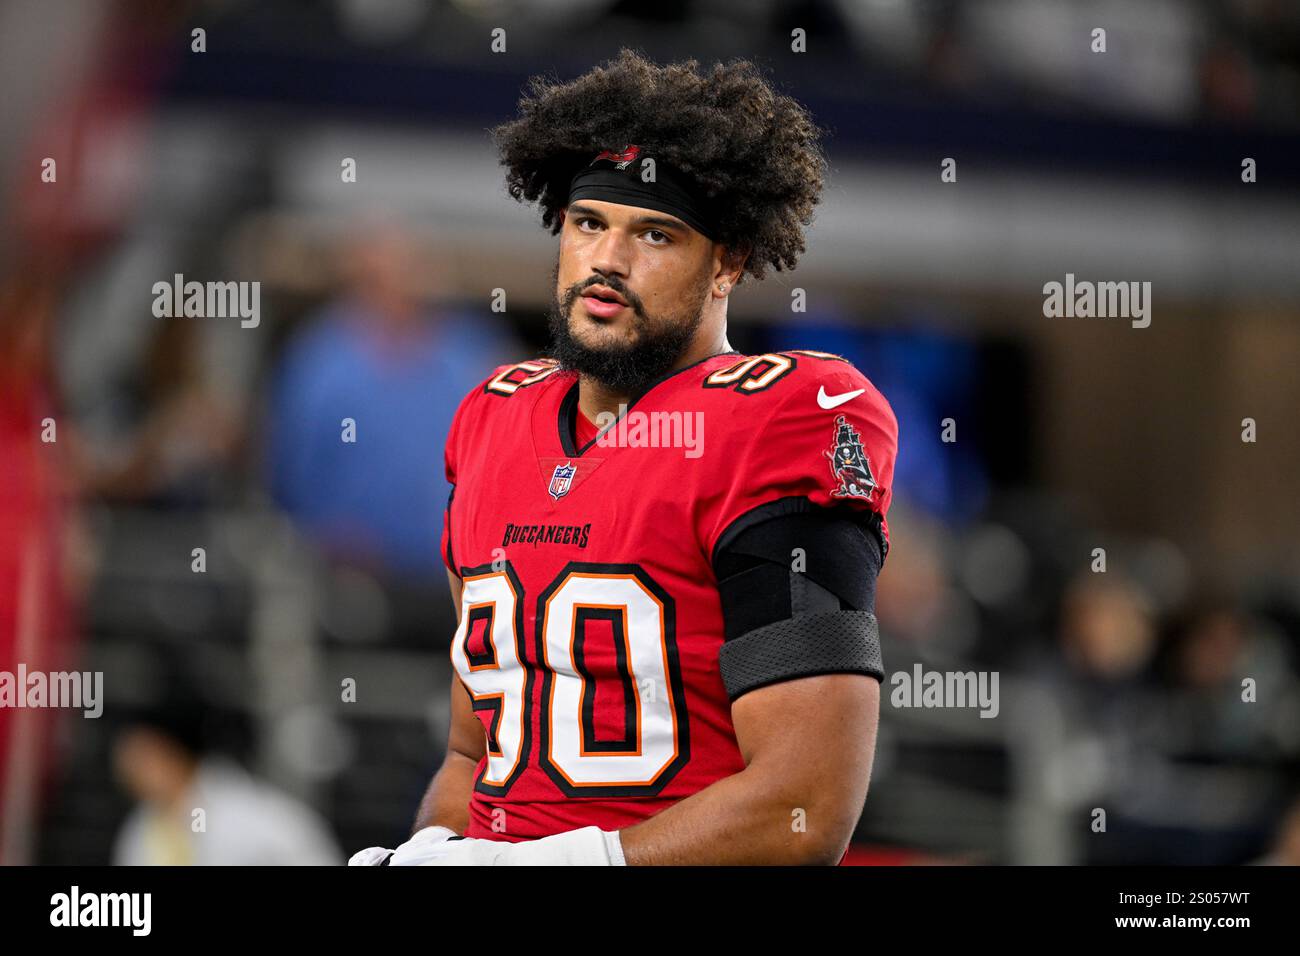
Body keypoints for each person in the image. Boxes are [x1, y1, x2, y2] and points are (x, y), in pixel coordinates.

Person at [351, 49, 899, 866]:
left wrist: (563, 865)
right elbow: (476, 753)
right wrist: (435, 847)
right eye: (588, 223)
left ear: (729, 260)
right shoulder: (493, 417)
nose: (608, 260)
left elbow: (803, 806)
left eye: (654, 233)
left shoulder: (778, 417)